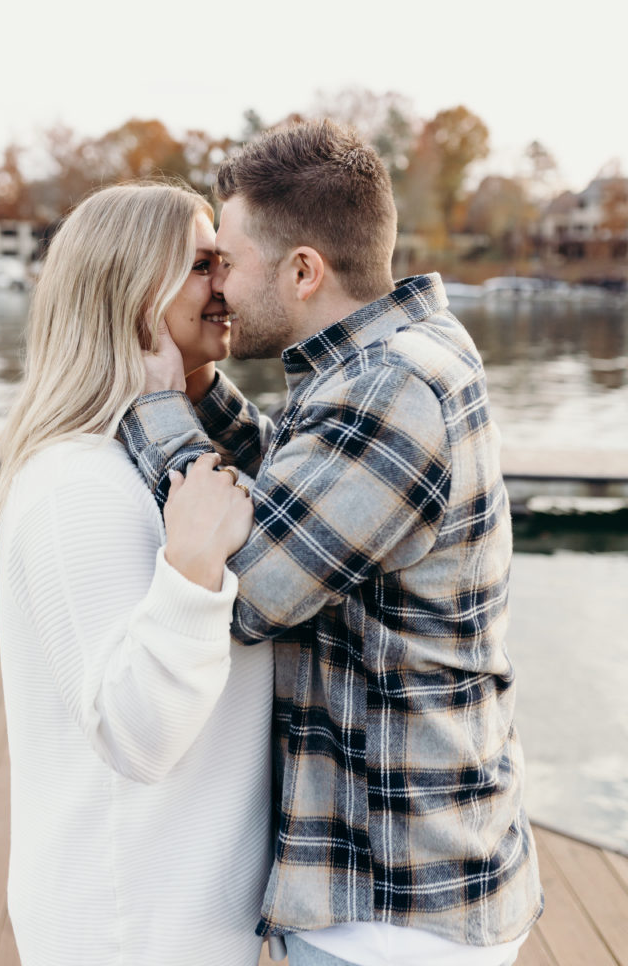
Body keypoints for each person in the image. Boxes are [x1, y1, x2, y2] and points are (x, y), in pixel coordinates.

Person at [119, 121, 544, 966]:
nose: (219, 290)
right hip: (418, 879)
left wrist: (155, 405)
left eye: (227, 264)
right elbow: (306, 487)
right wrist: (206, 397)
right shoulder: (396, 355)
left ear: (303, 270)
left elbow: (241, 586)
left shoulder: (391, 390)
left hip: (395, 909)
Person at [0, 182, 274, 966]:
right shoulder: (79, 484)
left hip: (189, 919)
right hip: (127, 927)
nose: (225, 282)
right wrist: (193, 571)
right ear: (135, 294)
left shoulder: (153, 461)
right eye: (203, 264)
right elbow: (134, 734)